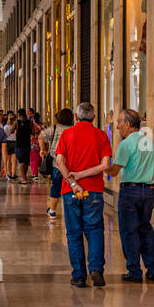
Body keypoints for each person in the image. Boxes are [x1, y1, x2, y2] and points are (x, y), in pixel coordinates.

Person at [55, 101, 112, 288]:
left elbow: (60, 161)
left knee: (73, 233)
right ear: (94, 117)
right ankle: (96, 269)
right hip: (94, 190)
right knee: (95, 230)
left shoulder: (67, 134)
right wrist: (83, 176)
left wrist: (73, 181)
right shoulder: (101, 135)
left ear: (76, 116)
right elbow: (105, 165)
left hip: (70, 191)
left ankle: (79, 276)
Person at [108, 108, 154, 282]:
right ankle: (153, 268)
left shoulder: (126, 144)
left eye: (119, 123)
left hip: (130, 192)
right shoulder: (149, 142)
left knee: (129, 231)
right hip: (149, 191)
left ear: (128, 124)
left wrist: (100, 168)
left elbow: (115, 171)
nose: (117, 127)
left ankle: (134, 270)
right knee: (145, 228)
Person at [42, 108, 74, 219]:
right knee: (71, 185)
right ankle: (70, 210)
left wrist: (42, 150)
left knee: (55, 186)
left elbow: (41, 136)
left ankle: (52, 210)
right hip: (70, 165)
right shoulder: (74, 129)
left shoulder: (54, 128)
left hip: (56, 163)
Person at [14, 108, 32, 183]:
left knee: (21, 162)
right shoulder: (29, 122)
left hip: (19, 145)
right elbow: (32, 132)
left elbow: (11, 131)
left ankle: (24, 179)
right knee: (26, 163)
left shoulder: (17, 122)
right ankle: (24, 177)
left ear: (19, 115)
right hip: (27, 144)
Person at [3, 112, 17, 179]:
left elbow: (4, 136)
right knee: (14, 160)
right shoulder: (16, 126)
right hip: (15, 142)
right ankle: (13, 173)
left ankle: (9, 173)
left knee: (8, 159)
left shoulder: (6, 127)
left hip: (8, 143)